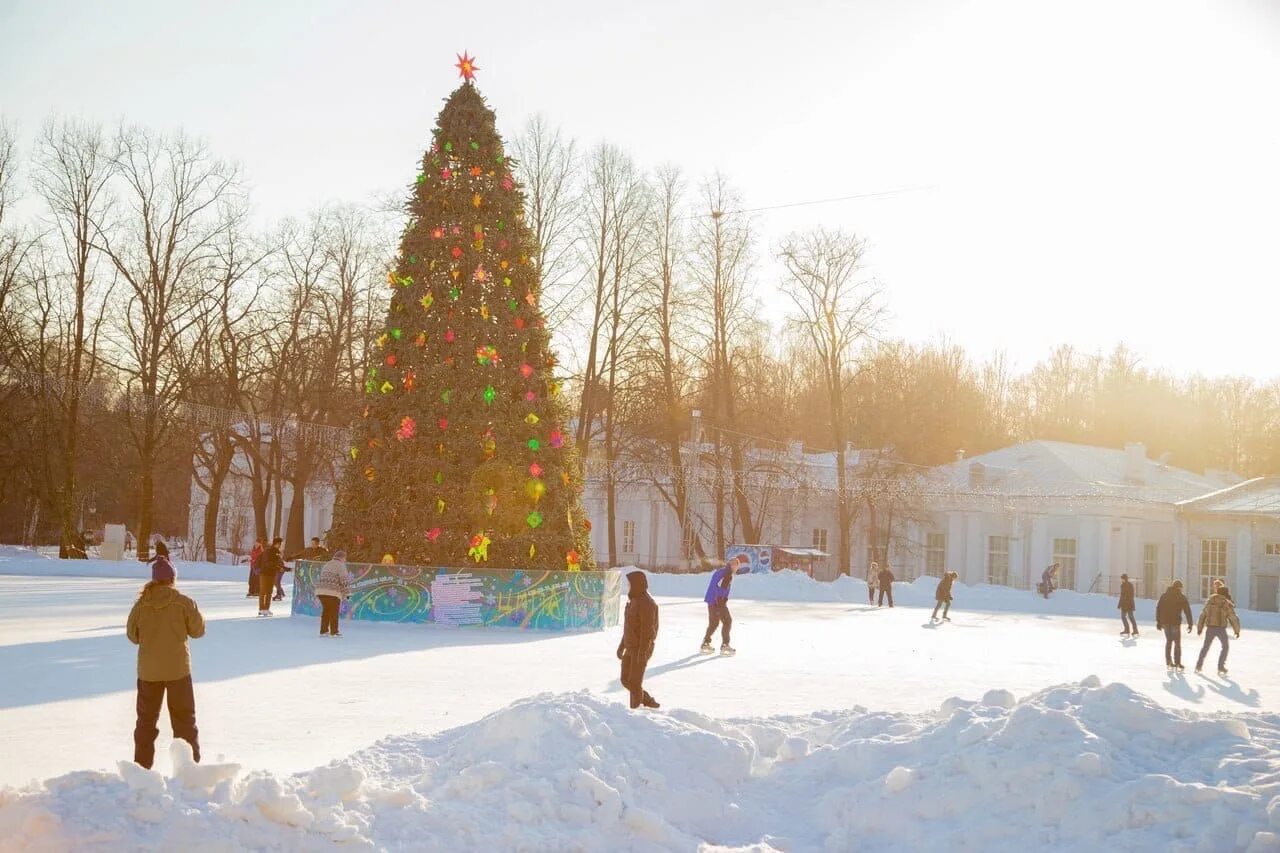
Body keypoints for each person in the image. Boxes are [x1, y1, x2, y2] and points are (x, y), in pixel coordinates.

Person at [126, 544, 205, 769]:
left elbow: (132, 635)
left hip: (148, 672)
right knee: (184, 721)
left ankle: (141, 768)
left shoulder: (141, 605)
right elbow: (198, 631)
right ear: (172, 578)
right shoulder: (183, 602)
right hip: (178, 670)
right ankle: (189, 769)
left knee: (146, 722)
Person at [617, 570, 660, 709]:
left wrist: (642, 652)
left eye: (630, 584)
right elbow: (629, 627)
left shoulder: (648, 604)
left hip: (641, 648)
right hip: (630, 647)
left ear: (637, 584)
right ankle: (647, 700)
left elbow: (647, 631)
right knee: (625, 680)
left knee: (634, 683)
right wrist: (621, 646)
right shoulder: (633, 600)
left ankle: (634, 714)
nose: (628, 586)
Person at [701, 555, 745, 655]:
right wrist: (720, 599)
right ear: (731, 565)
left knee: (714, 623)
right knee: (727, 621)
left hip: (712, 600)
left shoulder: (723, 572)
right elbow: (718, 586)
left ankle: (705, 643)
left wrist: (722, 598)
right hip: (717, 602)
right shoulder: (727, 574)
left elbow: (718, 585)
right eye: (735, 564)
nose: (736, 567)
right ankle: (725, 645)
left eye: (737, 565)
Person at [1195, 582, 1241, 676]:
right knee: (1225, 647)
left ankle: (1198, 666)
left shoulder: (1210, 601)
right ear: (1225, 594)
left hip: (1210, 628)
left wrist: (1200, 628)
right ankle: (1220, 666)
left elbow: (1203, 615)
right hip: (1220, 629)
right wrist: (1237, 630)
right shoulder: (1225, 603)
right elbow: (1233, 618)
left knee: (1205, 647)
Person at [1155, 579, 1194, 671]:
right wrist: (1190, 623)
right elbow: (1187, 611)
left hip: (1165, 622)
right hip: (1175, 622)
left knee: (1169, 641)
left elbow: (1158, 608)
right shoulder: (1181, 597)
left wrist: (1158, 622)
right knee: (1177, 643)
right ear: (1179, 587)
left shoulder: (1164, 596)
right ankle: (1177, 663)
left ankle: (1168, 661)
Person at [315, 550, 352, 637]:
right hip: (332, 592)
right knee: (334, 612)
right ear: (342, 558)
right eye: (345, 558)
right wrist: (347, 593)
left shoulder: (327, 564)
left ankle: (323, 631)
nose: (345, 560)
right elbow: (344, 580)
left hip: (320, 591)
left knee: (326, 611)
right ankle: (334, 632)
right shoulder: (340, 565)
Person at [257, 537, 284, 616]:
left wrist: (284, 568)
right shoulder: (269, 551)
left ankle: (265, 609)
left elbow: (278, 563)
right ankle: (262, 609)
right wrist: (278, 568)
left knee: (268, 592)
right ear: (277, 544)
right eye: (280, 544)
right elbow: (268, 563)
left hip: (271, 574)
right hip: (265, 573)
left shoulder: (276, 552)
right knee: (264, 592)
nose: (280, 545)